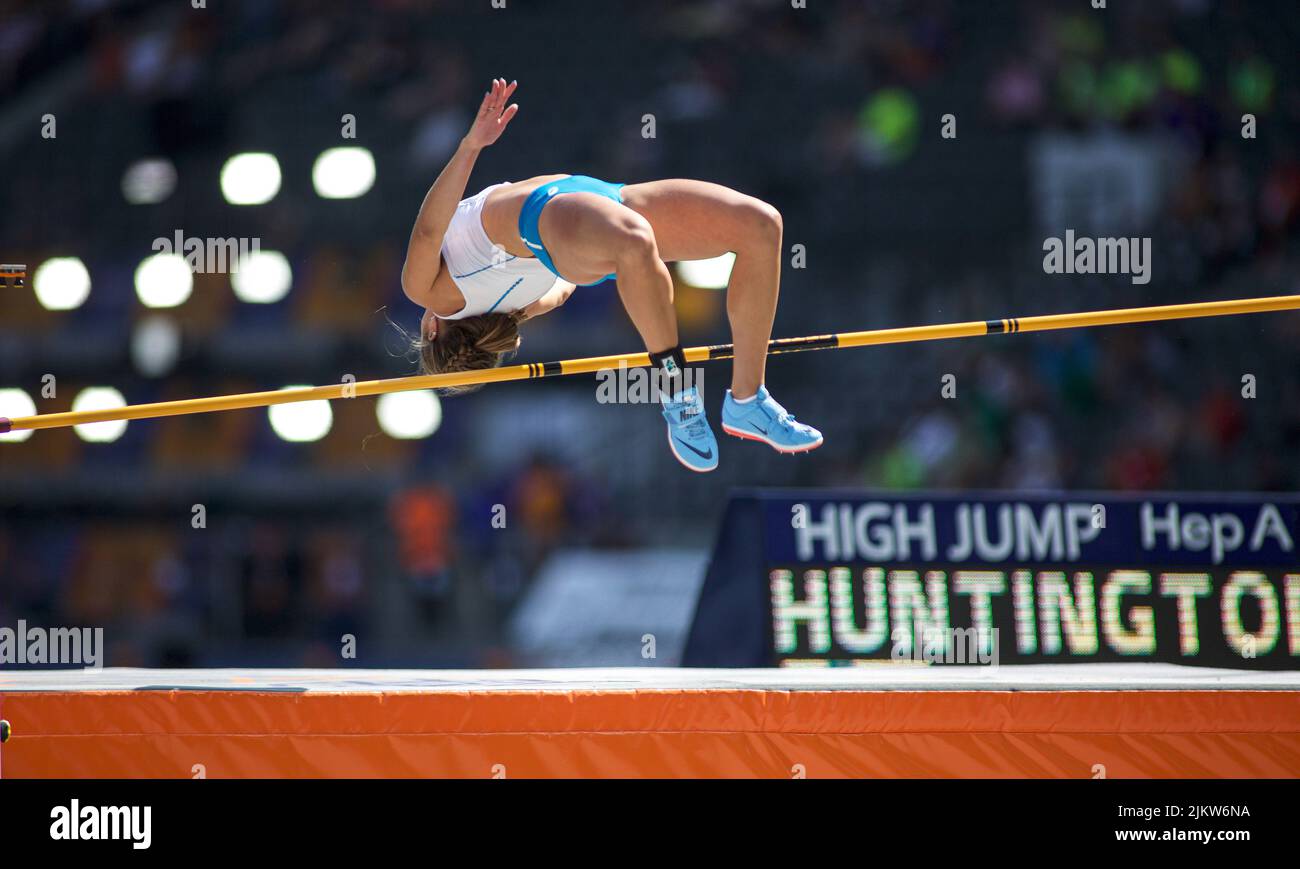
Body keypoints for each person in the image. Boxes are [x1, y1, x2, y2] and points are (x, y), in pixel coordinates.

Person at [401, 78, 822, 472]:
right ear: (433, 329)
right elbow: (426, 230)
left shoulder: (518, 310)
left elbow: (565, 288)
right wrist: (471, 146)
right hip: (552, 216)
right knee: (636, 243)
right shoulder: (431, 294)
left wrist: (597, 260)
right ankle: (677, 392)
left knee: (760, 224)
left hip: (599, 206)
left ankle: (748, 398)